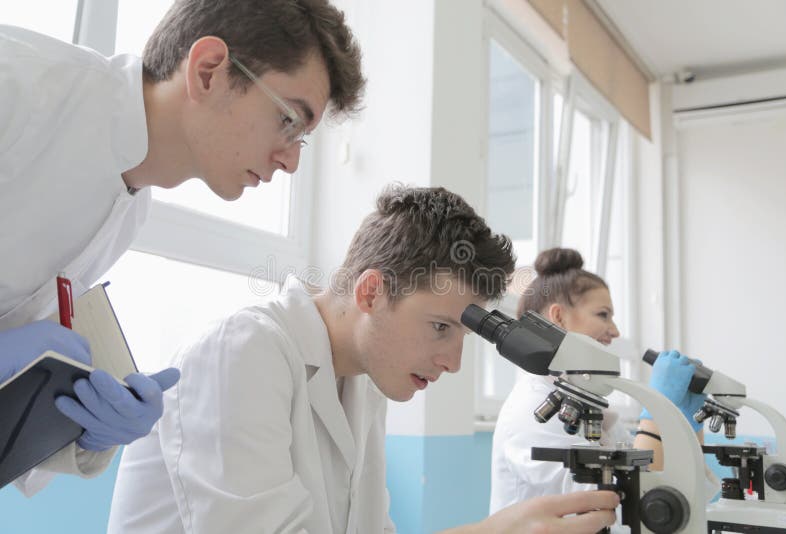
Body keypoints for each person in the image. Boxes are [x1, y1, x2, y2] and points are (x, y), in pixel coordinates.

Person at [0, 0, 365, 496]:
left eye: (301, 140)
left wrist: (79, 426)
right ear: (209, 71)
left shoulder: (128, 211)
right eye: (287, 121)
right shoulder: (20, 81)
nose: (290, 162)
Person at [108, 186, 619, 533]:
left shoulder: (365, 383)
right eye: (440, 327)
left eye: (462, 335)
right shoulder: (242, 351)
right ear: (371, 291)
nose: (453, 363)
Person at [490, 248, 706, 517]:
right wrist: (657, 412)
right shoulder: (532, 407)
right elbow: (616, 499)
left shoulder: (588, 401)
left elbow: (662, 481)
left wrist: (683, 424)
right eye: (603, 315)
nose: (615, 331)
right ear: (558, 317)